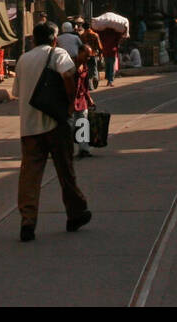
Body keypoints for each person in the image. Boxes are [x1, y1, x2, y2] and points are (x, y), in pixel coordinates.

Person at [12, 22, 91, 241]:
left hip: (29, 127)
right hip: (55, 124)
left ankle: (27, 221)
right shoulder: (58, 54)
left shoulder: (23, 60)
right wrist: (68, 103)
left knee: (29, 176)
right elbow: (67, 75)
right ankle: (75, 213)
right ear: (54, 39)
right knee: (65, 170)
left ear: (33, 40)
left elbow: (17, 92)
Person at [97, 20, 124, 87]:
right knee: (111, 66)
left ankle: (109, 80)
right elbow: (119, 38)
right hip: (112, 51)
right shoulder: (115, 32)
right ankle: (110, 80)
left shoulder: (103, 32)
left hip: (106, 51)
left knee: (107, 66)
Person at [78, 20, 102, 90]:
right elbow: (99, 46)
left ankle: (90, 86)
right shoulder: (95, 35)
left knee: (87, 70)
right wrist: (100, 55)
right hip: (94, 54)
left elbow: (81, 46)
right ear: (90, 26)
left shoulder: (82, 36)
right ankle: (95, 78)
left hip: (85, 55)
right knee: (94, 68)